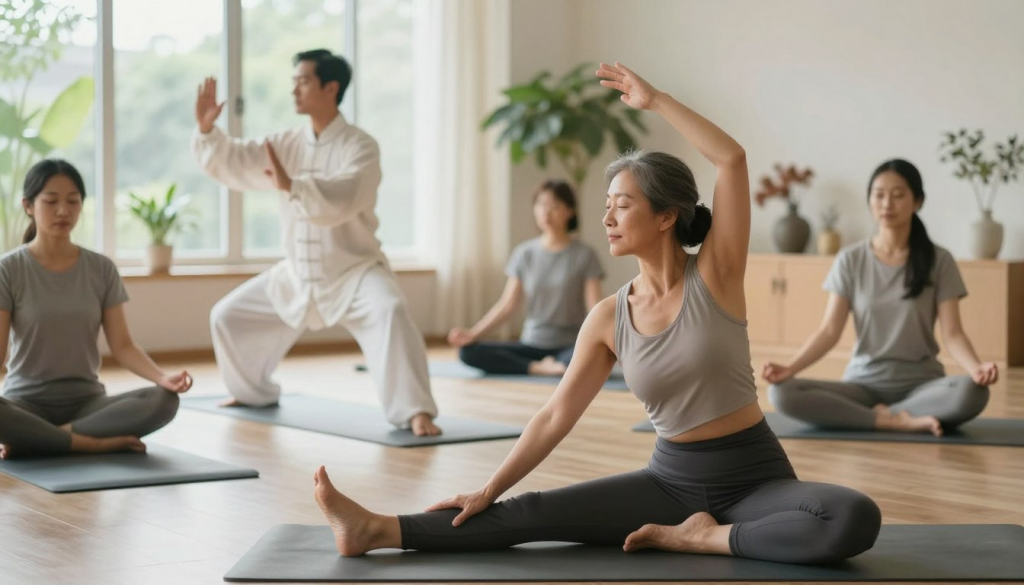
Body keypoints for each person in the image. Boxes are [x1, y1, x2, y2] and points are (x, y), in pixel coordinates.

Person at [308, 62, 881, 565]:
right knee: (528, 514)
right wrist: (489, 487)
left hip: (754, 476)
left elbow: (730, 159)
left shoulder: (716, 276)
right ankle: (375, 528)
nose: (607, 217)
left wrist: (654, 101)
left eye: (622, 204)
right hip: (669, 482)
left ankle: (703, 539)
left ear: (665, 217)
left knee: (852, 516)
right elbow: (556, 415)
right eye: (605, 206)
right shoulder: (609, 318)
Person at [191, 49, 439, 435]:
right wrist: (208, 131)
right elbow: (238, 160)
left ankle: (415, 411)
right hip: (297, 274)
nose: (294, 89)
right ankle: (252, 392)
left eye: (303, 81)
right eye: (294, 81)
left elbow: (345, 194)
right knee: (228, 316)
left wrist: (292, 185)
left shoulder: (361, 146)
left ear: (331, 87)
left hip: (353, 271)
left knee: (390, 311)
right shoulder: (286, 142)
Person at [764, 159, 996, 436]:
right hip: (863, 385)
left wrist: (977, 368)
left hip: (922, 385)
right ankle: (893, 420)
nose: (887, 204)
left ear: (917, 201)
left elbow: (954, 334)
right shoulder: (850, 259)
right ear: (870, 200)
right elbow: (828, 331)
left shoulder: (939, 260)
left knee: (972, 392)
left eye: (898, 195)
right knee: (782, 393)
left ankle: (877, 417)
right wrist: (790, 368)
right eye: (879, 194)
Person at [0, 159, 191, 459]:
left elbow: (123, 345)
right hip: (26, 403)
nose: (63, 211)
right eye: (51, 201)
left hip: (87, 404)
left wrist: (161, 378)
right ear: (28, 205)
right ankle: (90, 443)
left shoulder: (101, 268)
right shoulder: (8, 269)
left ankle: (47, 439)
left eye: (73, 201)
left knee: (164, 400)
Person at [448, 180, 604, 376]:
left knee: (593, 356)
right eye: (541, 205)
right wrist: (473, 334)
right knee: (468, 352)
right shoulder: (524, 254)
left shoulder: (585, 255)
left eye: (554, 206)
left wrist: (603, 341)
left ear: (570, 211)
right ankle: (539, 368)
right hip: (530, 344)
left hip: (569, 346)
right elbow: (507, 305)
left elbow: (595, 308)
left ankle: (551, 367)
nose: (546, 212)